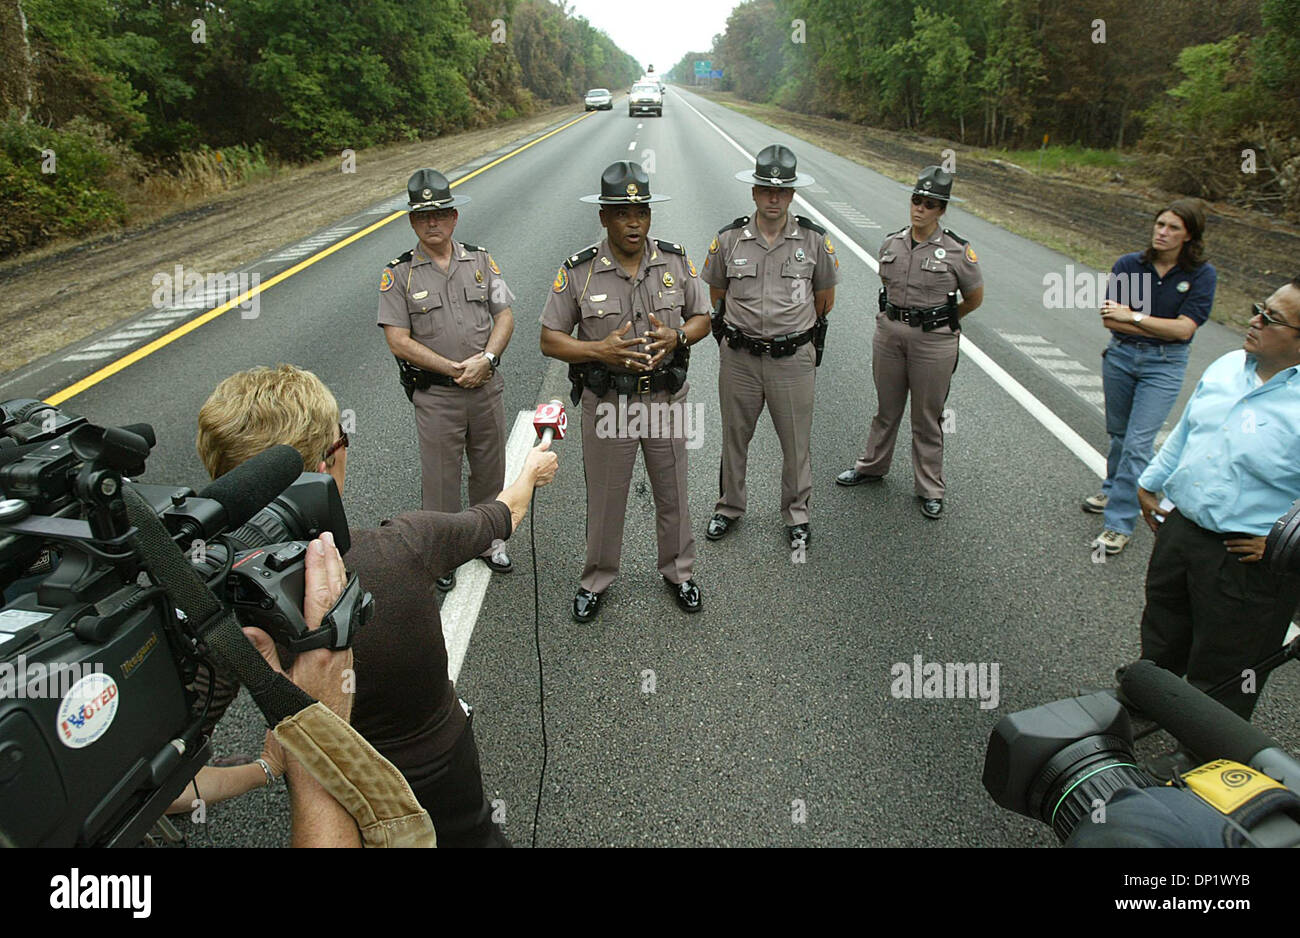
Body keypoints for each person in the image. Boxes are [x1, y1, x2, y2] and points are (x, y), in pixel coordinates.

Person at [188, 364, 558, 846]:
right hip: (436, 773)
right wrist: (532, 468)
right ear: (324, 467)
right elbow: (503, 513)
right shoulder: (404, 547)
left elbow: (161, 781)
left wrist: (264, 769)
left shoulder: (215, 606)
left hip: (333, 792)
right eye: (341, 440)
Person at [1130, 280, 1300, 769]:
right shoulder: (1228, 366)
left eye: (1271, 318)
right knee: (1164, 629)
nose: (1254, 321)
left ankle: (1202, 757)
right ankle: (1148, 700)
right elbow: (1189, 430)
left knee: (1226, 666)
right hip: (1182, 531)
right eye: (1257, 310)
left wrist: (1283, 543)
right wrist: (1151, 481)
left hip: (1247, 556)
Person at [539, 161, 709, 622]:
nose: (632, 221)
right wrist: (599, 351)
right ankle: (596, 578)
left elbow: (703, 318)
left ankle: (679, 573)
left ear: (649, 215)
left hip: (664, 401)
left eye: (640, 211)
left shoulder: (674, 262)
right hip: (608, 403)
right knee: (607, 496)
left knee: (673, 492)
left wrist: (679, 338)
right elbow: (549, 339)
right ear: (603, 217)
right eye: (621, 212)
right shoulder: (580, 272)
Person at [378, 168, 516, 591]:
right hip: (438, 394)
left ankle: (489, 541)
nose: (432, 223)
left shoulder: (480, 260)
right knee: (440, 478)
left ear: (454, 217)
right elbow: (397, 340)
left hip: (486, 386)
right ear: (412, 222)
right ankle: (440, 552)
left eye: (439, 214)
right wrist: (454, 368)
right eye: (423, 217)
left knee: (490, 469)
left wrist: (488, 359)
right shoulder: (398, 274)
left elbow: (505, 315)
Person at [702, 145, 838, 552]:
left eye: (781, 191)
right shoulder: (729, 239)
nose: (773, 198)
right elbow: (717, 294)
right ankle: (729, 507)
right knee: (734, 437)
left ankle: (797, 515)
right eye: (766, 189)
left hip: (792, 360)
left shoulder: (814, 241)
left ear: (792, 194)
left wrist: (792, 333)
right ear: (755, 192)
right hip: (740, 358)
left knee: (795, 442)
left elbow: (824, 299)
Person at [836, 166, 982, 519]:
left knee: (927, 417)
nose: (920, 209)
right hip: (890, 334)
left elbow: (974, 297)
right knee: (886, 410)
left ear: (941, 210)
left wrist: (945, 320)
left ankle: (930, 487)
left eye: (930, 204)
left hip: (933, 341)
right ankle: (872, 466)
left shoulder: (957, 251)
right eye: (916, 200)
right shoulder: (892, 242)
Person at [1085, 199, 1216, 556]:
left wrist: (1136, 317)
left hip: (1165, 365)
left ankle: (1119, 523)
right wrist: (1151, 324)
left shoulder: (1201, 275)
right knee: (1119, 434)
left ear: (1189, 235)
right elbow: (1111, 320)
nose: (1163, 232)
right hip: (1121, 358)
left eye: (1173, 227)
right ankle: (1113, 486)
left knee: (1139, 444)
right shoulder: (1130, 265)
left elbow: (1184, 331)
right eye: (1160, 224)